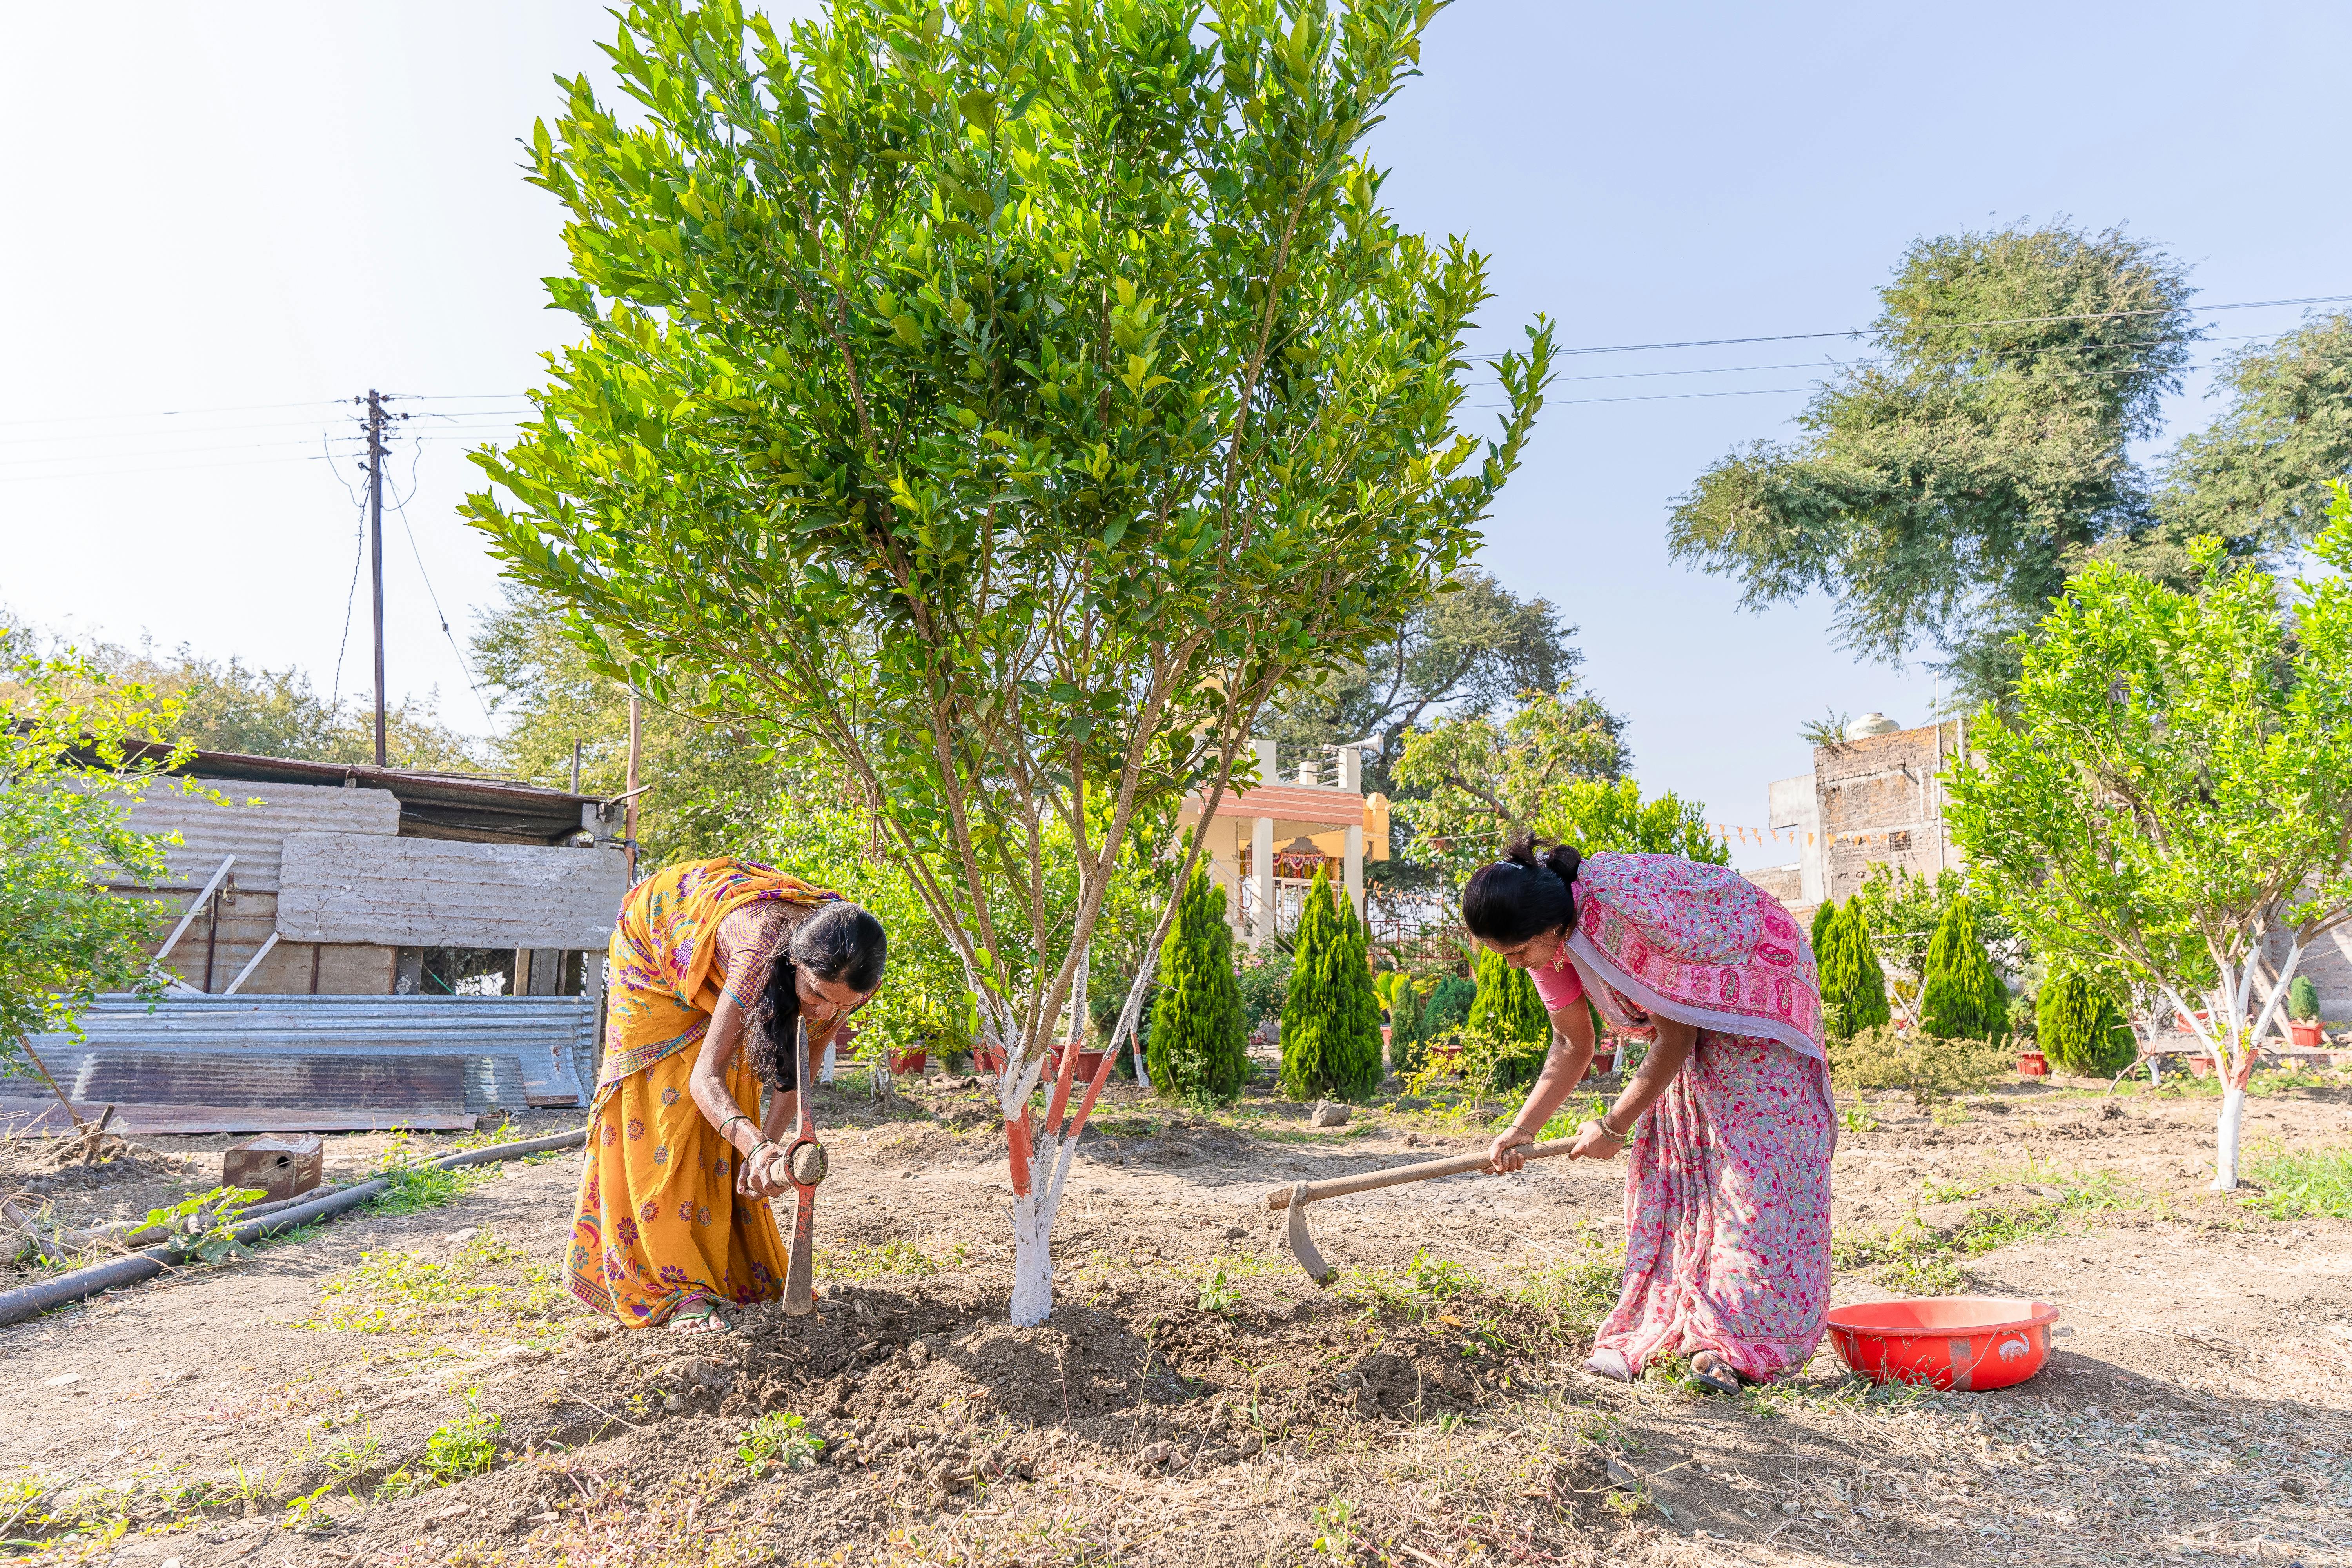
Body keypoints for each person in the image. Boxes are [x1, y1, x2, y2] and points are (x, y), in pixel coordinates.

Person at [1465, 837, 1831, 1393]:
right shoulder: (1552, 941)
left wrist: (1614, 1125)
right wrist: (1522, 1129)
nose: (1516, 966)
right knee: (1677, 1164)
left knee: (1750, 1175)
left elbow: (1678, 1035)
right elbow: (1572, 1043)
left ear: (1553, 927)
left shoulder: (1616, 920)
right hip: (1691, 1011)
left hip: (1754, 987)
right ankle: (1663, 1323)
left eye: (1518, 954)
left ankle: (1735, 1347)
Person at [567, 857, 886, 1332]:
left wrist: (767, 1153)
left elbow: (798, 1070)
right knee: (667, 1101)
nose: (822, 1011)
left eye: (840, 1005)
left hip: (736, 960)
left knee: (734, 1103)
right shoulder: (760, 952)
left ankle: (724, 1264)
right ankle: (675, 1286)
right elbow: (705, 1078)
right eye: (815, 993)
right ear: (795, 963)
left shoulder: (849, 981)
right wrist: (756, 1146)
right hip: (658, 937)